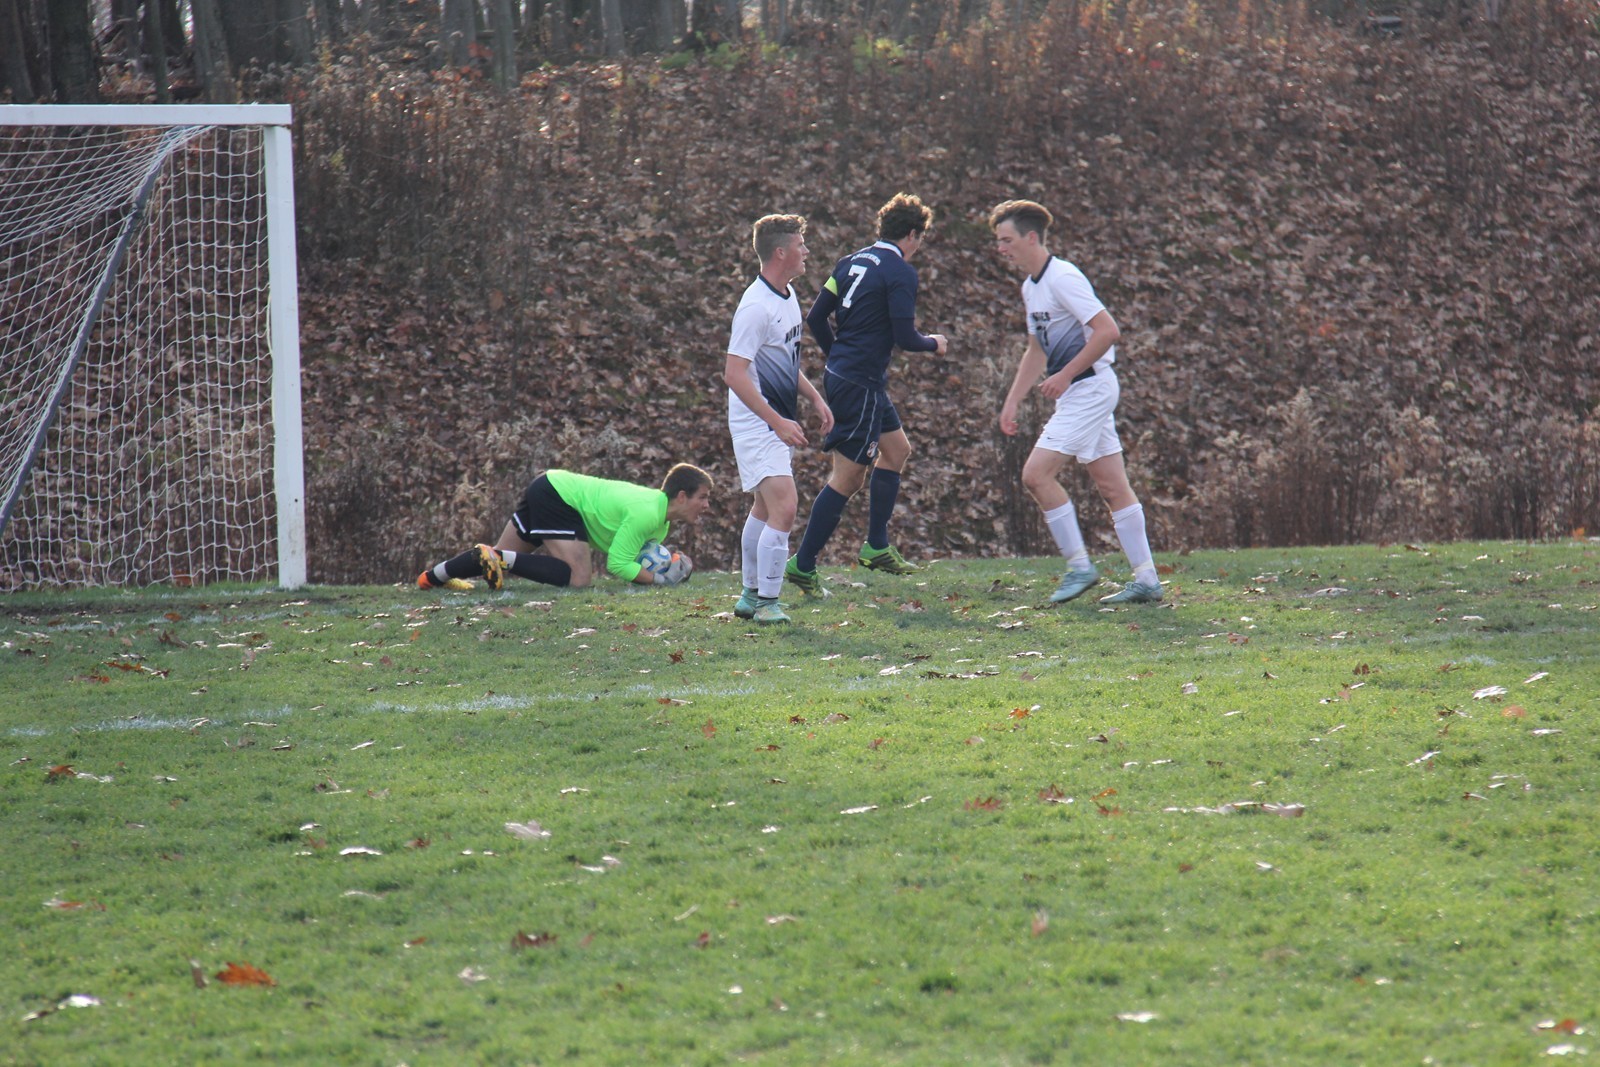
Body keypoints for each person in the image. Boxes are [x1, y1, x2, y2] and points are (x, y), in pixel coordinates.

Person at [990, 198, 1163, 605]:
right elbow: (1036, 349)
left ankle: (1080, 567)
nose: (1001, 248)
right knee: (1112, 487)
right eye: (998, 241)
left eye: (1006, 239)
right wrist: (1012, 401)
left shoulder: (1063, 278)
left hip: (1090, 389)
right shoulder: (1030, 287)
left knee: (1036, 475)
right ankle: (1148, 579)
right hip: (1080, 392)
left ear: (1031, 238)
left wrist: (1065, 375)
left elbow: (1107, 331)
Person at [785, 192, 948, 597]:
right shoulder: (900, 271)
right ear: (912, 234)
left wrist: (837, 354)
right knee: (849, 477)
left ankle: (876, 546)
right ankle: (803, 565)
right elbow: (906, 337)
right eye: (920, 238)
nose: (918, 247)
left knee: (896, 451)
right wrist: (934, 343)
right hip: (860, 383)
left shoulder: (850, 261)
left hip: (853, 377)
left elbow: (817, 316)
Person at [724, 213, 834, 626]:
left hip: (773, 420)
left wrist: (814, 398)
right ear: (781, 252)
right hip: (756, 423)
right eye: (802, 245)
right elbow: (734, 374)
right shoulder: (755, 307)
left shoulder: (786, 295)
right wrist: (776, 421)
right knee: (785, 508)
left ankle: (751, 595)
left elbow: (784, 360)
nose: (807, 252)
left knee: (765, 508)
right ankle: (768, 601)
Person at [416, 464, 713, 590]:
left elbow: (634, 559)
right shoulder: (647, 514)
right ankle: (497, 559)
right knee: (578, 578)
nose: (707, 506)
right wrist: (662, 582)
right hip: (559, 495)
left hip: (551, 486)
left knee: (494, 556)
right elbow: (618, 565)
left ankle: (431, 577)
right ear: (682, 496)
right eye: (703, 498)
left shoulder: (659, 524)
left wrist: (668, 566)